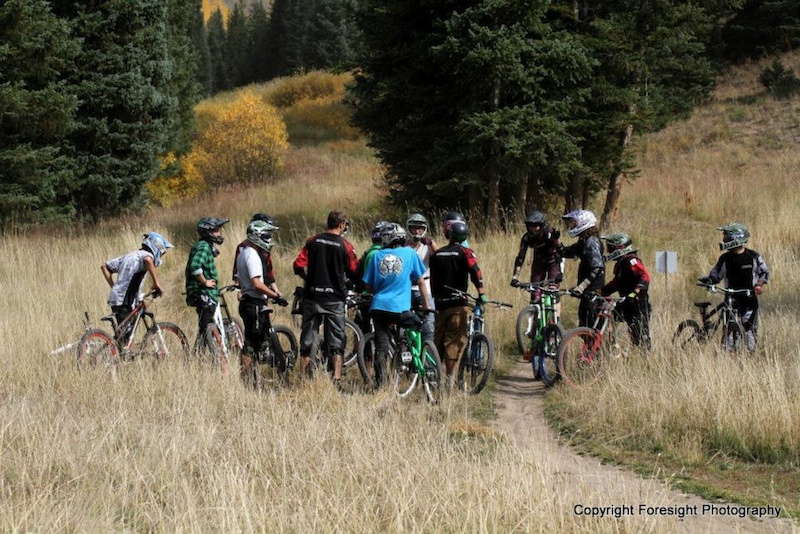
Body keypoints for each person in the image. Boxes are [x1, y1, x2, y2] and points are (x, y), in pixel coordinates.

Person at [293, 210, 359, 383]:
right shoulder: (346, 246)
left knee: (308, 338)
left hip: (312, 297)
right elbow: (354, 271)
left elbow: (298, 265)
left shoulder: (312, 241)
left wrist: (308, 279)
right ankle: (336, 379)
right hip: (334, 299)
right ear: (342, 224)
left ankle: (305, 379)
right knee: (337, 341)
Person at [362, 223, 431, 386]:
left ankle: (382, 383)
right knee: (423, 329)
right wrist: (426, 305)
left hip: (378, 307)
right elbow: (421, 281)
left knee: (381, 346)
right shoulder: (409, 253)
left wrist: (379, 291)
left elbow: (367, 286)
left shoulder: (377, 256)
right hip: (400, 308)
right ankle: (422, 366)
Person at [429, 220, 487, 379]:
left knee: (439, 339)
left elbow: (433, 280)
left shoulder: (437, 254)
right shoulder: (466, 252)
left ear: (449, 235)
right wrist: (481, 292)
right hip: (457, 304)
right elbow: (475, 272)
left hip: (440, 304)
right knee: (453, 341)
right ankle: (449, 379)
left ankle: (434, 376)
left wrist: (436, 299)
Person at [699, 223, 769, 352]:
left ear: (735, 239)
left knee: (750, 335)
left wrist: (759, 285)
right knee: (729, 336)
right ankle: (728, 361)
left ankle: (750, 360)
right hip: (731, 300)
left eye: (726, 237)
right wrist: (710, 281)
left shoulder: (753, 257)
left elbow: (764, 272)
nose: (724, 240)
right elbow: (716, 274)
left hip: (749, 301)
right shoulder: (725, 258)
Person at [236, 220, 289, 383]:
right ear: (257, 236)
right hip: (253, 302)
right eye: (267, 236)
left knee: (254, 341)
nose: (269, 239)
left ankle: (251, 379)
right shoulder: (252, 255)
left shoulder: (244, 251)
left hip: (249, 302)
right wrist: (275, 295)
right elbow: (257, 283)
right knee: (251, 345)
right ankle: (246, 380)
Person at [101, 232, 173, 343]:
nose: (161, 256)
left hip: (118, 298)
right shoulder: (145, 255)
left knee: (124, 335)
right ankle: (119, 355)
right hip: (124, 301)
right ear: (156, 248)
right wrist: (156, 283)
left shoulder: (131, 255)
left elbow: (105, 267)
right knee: (126, 338)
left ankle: (119, 351)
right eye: (162, 253)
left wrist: (114, 287)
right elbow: (148, 260)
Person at [600, 233, 652, 351]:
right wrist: (601, 292)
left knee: (640, 337)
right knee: (609, 316)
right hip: (626, 302)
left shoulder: (631, 260)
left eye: (610, 248)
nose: (608, 251)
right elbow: (616, 283)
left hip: (638, 305)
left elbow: (645, 276)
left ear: (620, 248)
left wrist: (636, 291)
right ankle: (613, 346)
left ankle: (645, 360)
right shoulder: (621, 264)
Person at [185, 216, 229, 349]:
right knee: (205, 328)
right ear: (208, 232)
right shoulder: (203, 246)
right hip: (203, 292)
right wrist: (204, 282)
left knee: (205, 327)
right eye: (216, 230)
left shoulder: (205, 246)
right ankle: (199, 356)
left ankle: (199, 355)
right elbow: (195, 265)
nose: (219, 233)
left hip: (205, 293)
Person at [560, 210, 605, 328]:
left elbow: (597, 267)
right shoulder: (584, 241)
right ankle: (591, 346)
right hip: (588, 291)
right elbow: (567, 252)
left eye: (574, 223)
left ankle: (600, 346)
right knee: (584, 323)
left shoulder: (592, 241)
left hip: (593, 291)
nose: (571, 226)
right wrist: (556, 244)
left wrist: (582, 286)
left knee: (591, 326)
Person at [510, 211, 563, 301]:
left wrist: (560, 272)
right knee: (535, 292)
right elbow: (520, 257)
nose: (533, 229)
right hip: (539, 262)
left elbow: (560, 251)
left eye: (536, 226)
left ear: (542, 225)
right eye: (530, 226)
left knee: (553, 291)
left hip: (553, 261)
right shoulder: (527, 238)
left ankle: (556, 315)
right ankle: (534, 312)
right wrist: (515, 277)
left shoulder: (549, 233)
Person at [406, 213, 438, 341]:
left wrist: (431, 243)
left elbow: (438, 256)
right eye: (414, 228)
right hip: (407, 287)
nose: (417, 231)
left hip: (425, 287)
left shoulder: (427, 245)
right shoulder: (404, 246)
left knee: (429, 322)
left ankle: (428, 355)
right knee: (406, 322)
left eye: (420, 228)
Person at [233, 213, 281, 297]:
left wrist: (275, 290)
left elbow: (269, 271)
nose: (269, 237)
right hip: (251, 290)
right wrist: (240, 290)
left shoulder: (264, 248)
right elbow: (238, 271)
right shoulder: (244, 249)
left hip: (264, 289)